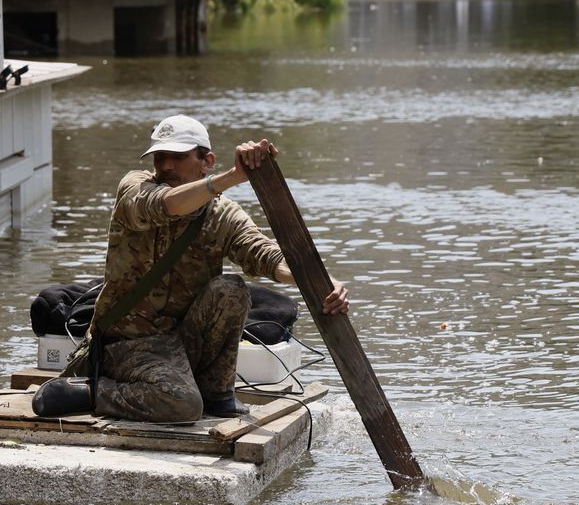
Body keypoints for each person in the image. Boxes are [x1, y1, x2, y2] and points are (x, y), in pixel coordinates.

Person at [32, 115, 349, 422]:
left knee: (232, 290)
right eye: (160, 157)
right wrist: (232, 177)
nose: (166, 166)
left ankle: (217, 393)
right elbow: (166, 204)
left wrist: (322, 283)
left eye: (178, 156)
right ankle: (90, 392)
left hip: (181, 342)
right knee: (182, 405)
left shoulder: (222, 214)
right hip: (127, 343)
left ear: (206, 161)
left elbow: (266, 255)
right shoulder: (136, 187)